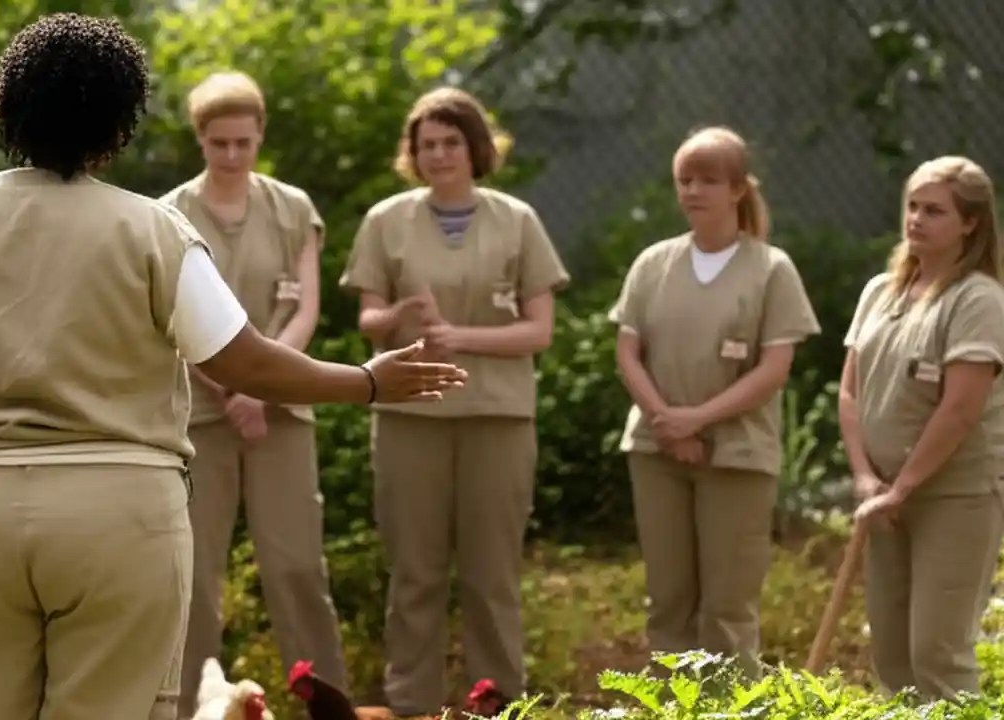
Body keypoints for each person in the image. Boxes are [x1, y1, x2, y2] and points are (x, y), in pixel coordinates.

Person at [0, 13, 467, 720]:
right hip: (118, 517)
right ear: (119, 124)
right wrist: (365, 381)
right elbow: (244, 361)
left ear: (9, 108)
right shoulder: (153, 229)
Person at [339, 86, 569, 715]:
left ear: (477, 147)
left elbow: (540, 331)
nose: (438, 154)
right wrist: (397, 316)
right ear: (412, 154)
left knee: (491, 574)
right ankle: (411, 703)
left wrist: (461, 337)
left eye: (451, 142)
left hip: (498, 416)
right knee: (414, 571)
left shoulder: (518, 220)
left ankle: (498, 702)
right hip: (409, 413)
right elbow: (369, 321)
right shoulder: (386, 221)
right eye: (427, 145)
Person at [161, 70, 351, 717]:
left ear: (261, 134)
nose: (232, 155)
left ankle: (328, 709)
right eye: (219, 143)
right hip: (198, 415)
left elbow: (306, 308)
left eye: (244, 142)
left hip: (280, 411)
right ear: (200, 140)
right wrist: (233, 383)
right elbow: (171, 318)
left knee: (297, 567)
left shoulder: (293, 209)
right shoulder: (169, 213)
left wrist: (262, 387)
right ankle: (180, 709)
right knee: (192, 575)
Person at [609, 126, 820, 677]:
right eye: (685, 179)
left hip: (737, 457)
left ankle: (729, 707)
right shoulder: (652, 264)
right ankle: (673, 707)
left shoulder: (771, 269)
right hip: (656, 451)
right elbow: (628, 352)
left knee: (727, 607)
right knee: (668, 601)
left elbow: (773, 369)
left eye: (708, 180)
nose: (693, 191)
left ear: (738, 189)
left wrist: (696, 420)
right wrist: (667, 423)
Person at [842, 156, 1004, 701]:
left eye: (934, 211)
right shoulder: (879, 292)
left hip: (954, 494)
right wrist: (865, 477)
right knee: (891, 653)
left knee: (937, 651)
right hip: (883, 496)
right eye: (912, 206)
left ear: (970, 223)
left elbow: (959, 409)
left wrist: (904, 486)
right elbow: (850, 391)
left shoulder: (978, 300)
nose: (916, 219)